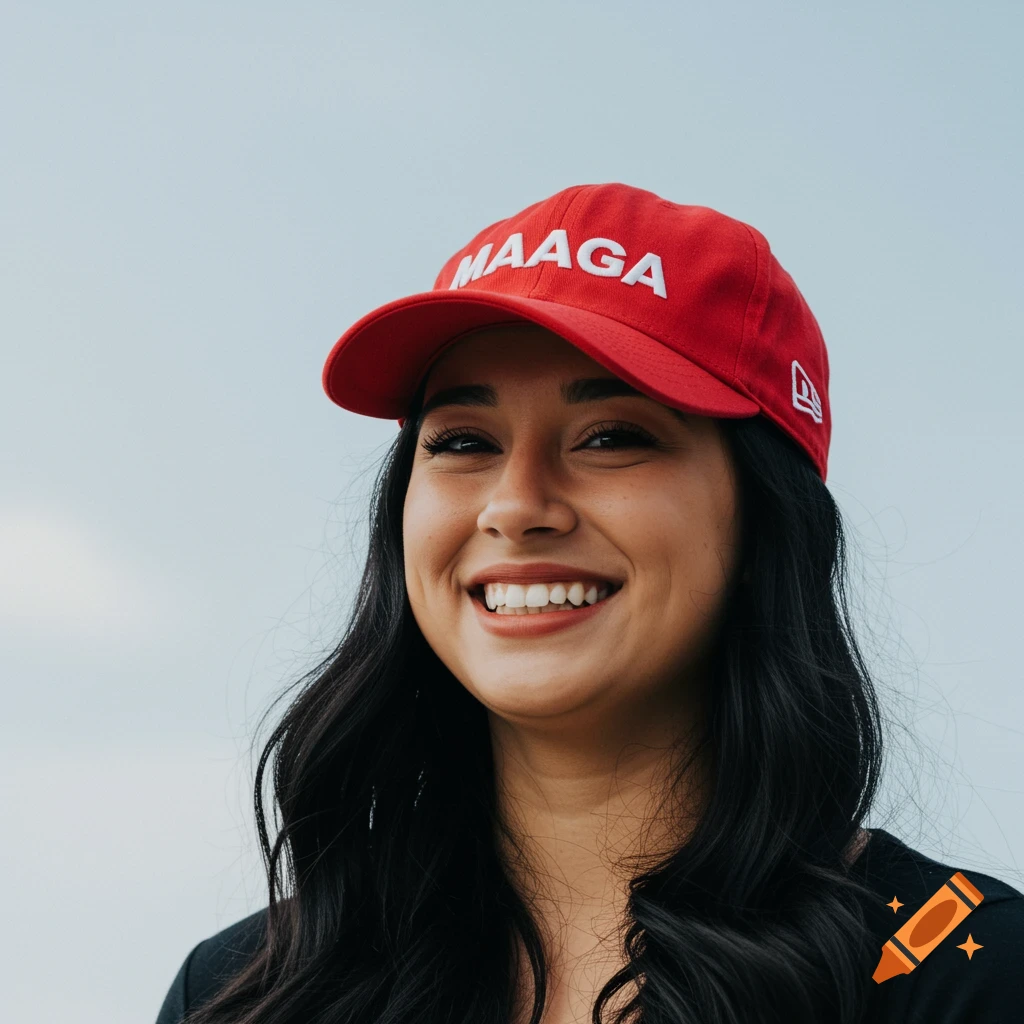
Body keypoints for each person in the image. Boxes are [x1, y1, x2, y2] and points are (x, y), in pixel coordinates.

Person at [156, 184, 1023, 1024]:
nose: (516, 505)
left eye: (612, 437)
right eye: (462, 441)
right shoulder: (243, 990)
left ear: (766, 525)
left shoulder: (961, 968)